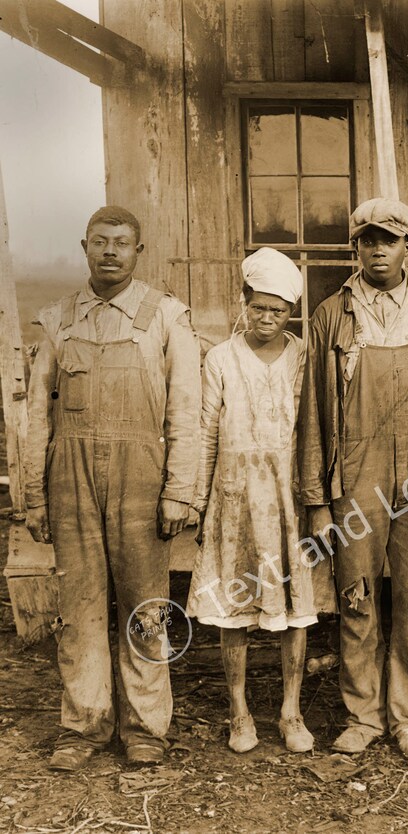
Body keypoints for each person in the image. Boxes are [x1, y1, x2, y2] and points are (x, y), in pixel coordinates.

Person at [24, 206, 201, 770]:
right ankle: (84, 725)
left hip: (141, 477)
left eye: (121, 243)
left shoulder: (167, 317)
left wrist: (179, 491)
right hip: (70, 477)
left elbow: (186, 411)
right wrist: (34, 496)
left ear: (137, 251)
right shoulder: (58, 320)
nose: (109, 252)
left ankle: (146, 727)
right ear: (84, 247)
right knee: (78, 607)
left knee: (145, 604)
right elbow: (36, 415)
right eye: (99, 242)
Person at [298, 198, 408, 760]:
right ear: (355, 248)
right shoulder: (331, 314)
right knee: (356, 594)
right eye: (367, 240)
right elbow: (314, 412)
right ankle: (362, 714)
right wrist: (317, 500)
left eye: (388, 240)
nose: (378, 250)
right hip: (355, 473)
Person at [187, 248, 335, 754]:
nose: (267, 318)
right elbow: (207, 433)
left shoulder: (304, 357)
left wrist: (317, 497)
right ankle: (239, 712)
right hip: (234, 497)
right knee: (236, 606)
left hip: (289, 497)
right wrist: (200, 503)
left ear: (291, 312)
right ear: (243, 302)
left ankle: (291, 711)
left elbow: (316, 427)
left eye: (278, 310)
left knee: (295, 609)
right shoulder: (220, 359)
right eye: (259, 308)